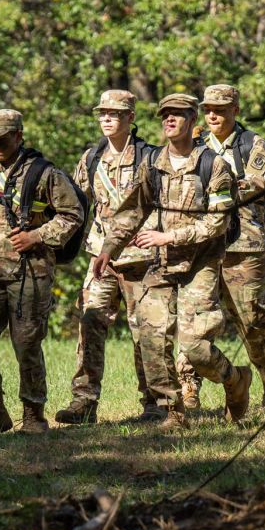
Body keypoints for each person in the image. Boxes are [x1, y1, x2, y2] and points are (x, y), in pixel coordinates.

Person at [93, 93, 252, 430]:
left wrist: (169, 237)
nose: (169, 120)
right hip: (162, 263)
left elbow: (218, 222)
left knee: (195, 347)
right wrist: (109, 247)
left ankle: (234, 378)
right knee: (151, 337)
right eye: (164, 115)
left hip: (201, 263)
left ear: (192, 120)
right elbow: (133, 211)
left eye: (177, 115)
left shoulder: (214, 165)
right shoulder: (152, 164)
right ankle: (173, 412)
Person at [0, 109, 86, 437]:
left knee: (27, 343)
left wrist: (37, 236)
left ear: (18, 136)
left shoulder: (46, 174)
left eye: (2, 140)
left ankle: (33, 414)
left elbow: (73, 215)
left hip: (31, 273)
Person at [177, 84, 265, 409]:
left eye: (221, 109)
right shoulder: (195, 145)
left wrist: (230, 183)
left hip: (244, 245)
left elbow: (260, 185)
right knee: (194, 321)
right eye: (208, 108)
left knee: (252, 323)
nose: (213, 114)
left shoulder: (253, 144)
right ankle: (189, 389)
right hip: (203, 244)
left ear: (235, 110)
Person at [56, 90, 160, 425]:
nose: (106, 119)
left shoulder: (150, 158)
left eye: (114, 114)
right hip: (100, 258)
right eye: (102, 114)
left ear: (131, 118)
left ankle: (154, 402)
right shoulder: (92, 158)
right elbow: (73, 201)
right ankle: (84, 402)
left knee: (144, 331)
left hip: (140, 259)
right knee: (90, 323)